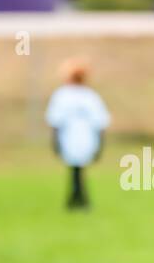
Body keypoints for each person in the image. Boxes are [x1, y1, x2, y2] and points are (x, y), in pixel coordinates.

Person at [46, 57, 110, 210]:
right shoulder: (89, 96)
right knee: (77, 169)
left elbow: (55, 121)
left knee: (76, 169)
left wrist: (55, 142)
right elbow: (100, 122)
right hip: (83, 138)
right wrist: (100, 144)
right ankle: (79, 199)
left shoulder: (63, 95)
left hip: (72, 138)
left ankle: (77, 199)